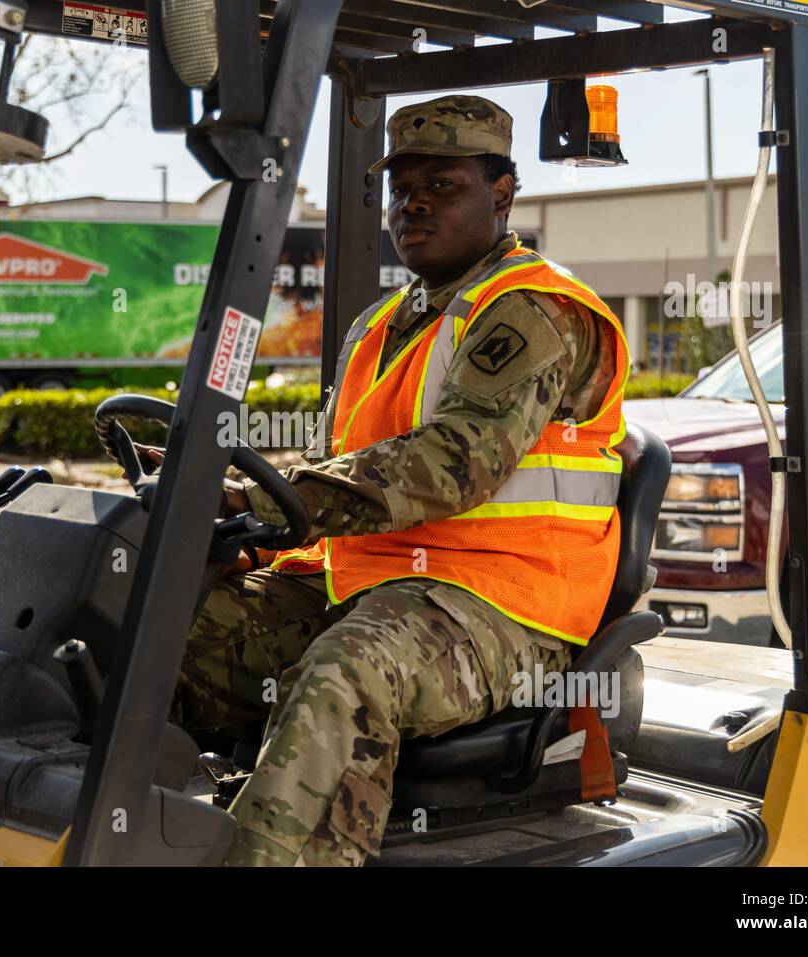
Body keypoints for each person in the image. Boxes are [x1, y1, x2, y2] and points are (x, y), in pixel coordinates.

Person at [162, 95, 630, 866]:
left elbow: (456, 463)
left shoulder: (535, 312)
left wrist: (274, 501)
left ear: (503, 193)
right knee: (159, 623)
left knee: (349, 673)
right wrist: (249, 526)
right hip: (375, 585)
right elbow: (342, 463)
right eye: (400, 187)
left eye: (442, 185)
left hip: (506, 607)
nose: (411, 203)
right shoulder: (377, 327)